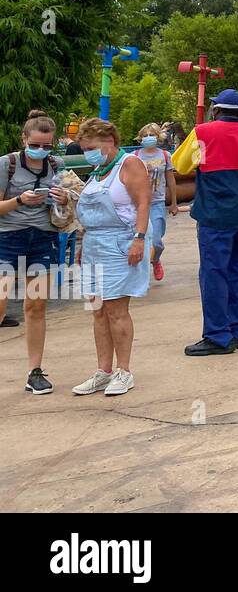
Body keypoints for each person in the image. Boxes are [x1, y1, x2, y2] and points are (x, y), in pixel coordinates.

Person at [172, 89, 238, 355]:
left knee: (214, 271)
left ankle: (218, 336)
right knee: (237, 269)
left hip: (215, 213)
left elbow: (180, 165)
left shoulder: (203, 132)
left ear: (215, 109)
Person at [70, 117, 152, 395]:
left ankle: (124, 370)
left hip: (121, 244)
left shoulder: (129, 164)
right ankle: (103, 371)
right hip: (94, 244)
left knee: (116, 309)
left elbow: (143, 202)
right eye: (84, 148)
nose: (88, 153)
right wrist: (83, 245)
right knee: (97, 310)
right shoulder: (97, 171)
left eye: (91, 147)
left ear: (110, 141)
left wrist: (139, 239)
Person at [0, 111, 69, 391]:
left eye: (47, 145)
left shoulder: (57, 164)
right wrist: (19, 199)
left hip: (43, 237)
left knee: (36, 305)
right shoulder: (7, 164)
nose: (41, 150)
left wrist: (63, 197)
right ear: (24, 139)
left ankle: (35, 371)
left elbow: (64, 205)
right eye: (36, 144)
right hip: (8, 237)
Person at [133, 123, 177, 282]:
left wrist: (174, 202)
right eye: (145, 135)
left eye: (151, 134)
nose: (148, 138)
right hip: (138, 204)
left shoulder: (164, 155)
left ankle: (155, 260)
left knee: (157, 241)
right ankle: (140, 273)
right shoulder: (136, 156)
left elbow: (171, 180)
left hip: (158, 203)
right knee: (140, 239)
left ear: (158, 137)